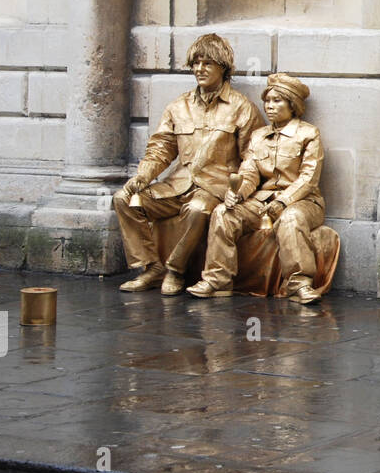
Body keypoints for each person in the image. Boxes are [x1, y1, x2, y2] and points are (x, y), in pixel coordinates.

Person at [113, 34, 264, 295]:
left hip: (214, 189)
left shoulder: (242, 108)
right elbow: (160, 149)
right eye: (195, 63)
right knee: (124, 199)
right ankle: (151, 267)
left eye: (207, 63)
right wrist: (142, 176)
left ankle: (175, 270)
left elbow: (253, 158)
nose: (199, 69)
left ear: (223, 67)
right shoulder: (178, 106)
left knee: (197, 209)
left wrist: (239, 190)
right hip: (176, 185)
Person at [188, 73, 327, 303]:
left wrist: (284, 201)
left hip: (303, 202)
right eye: (268, 101)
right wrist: (236, 193)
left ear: (293, 105)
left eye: (277, 101)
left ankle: (299, 284)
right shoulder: (258, 136)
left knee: (291, 218)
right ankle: (217, 280)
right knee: (224, 212)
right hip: (262, 201)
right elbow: (249, 172)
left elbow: (308, 178)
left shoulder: (308, 134)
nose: (270, 106)